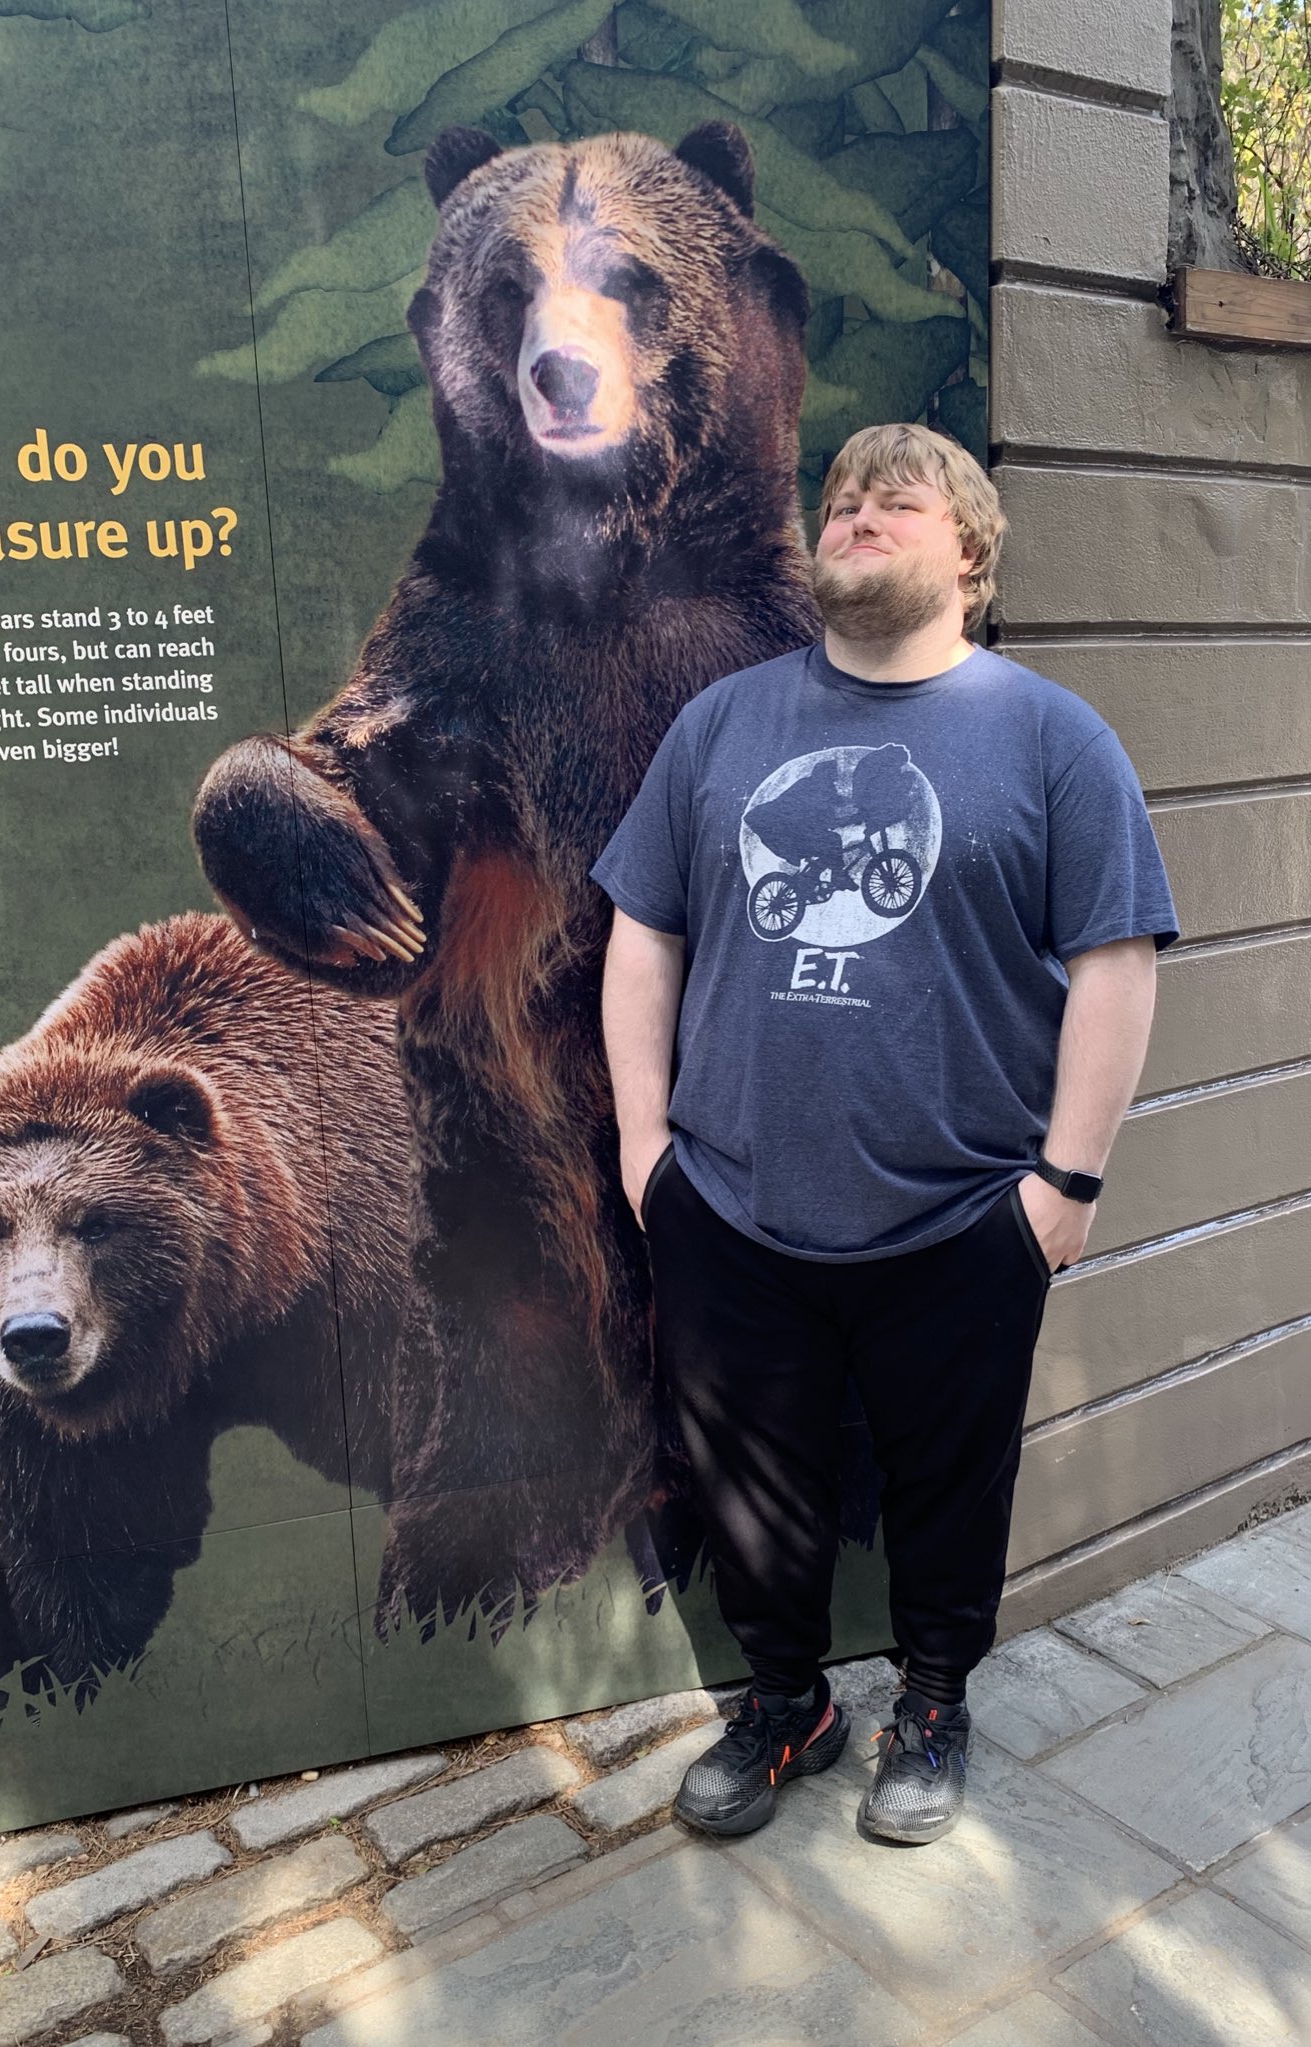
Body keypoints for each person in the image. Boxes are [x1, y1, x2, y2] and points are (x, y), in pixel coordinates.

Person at [592, 422, 1178, 1845]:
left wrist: (1066, 1183)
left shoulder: (1047, 737)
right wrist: (642, 1154)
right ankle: (784, 1700)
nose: (853, 516)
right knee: (745, 1484)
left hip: (960, 1215)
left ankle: (931, 1697)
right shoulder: (723, 727)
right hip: (728, 1203)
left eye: (894, 503)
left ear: (967, 554)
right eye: (841, 499)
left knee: (947, 1484)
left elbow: (1117, 961)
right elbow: (641, 934)